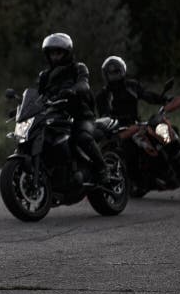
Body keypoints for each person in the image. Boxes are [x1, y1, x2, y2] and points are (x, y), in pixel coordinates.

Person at [37, 33, 109, 185]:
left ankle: (103, 168)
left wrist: (74, 90)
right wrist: (22, 107)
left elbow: (84, 84)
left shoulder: (78, 68)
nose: (55, 57)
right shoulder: (44, 75)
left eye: (58, 52)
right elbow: (38, 96)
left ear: (67, 52)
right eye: (51, 53)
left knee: (82, 137)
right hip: (56, 115)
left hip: (80, 115)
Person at [95, 55, 168, 126]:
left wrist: (164, 99)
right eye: (110, 73)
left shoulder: (132, 86)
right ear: (106, 75)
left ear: (122, 71)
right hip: (117, 132)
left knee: (167, 130)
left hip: (136, 126)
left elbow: (147, 95)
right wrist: (121, 120)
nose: (114, 75)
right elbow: (105, 117)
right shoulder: (103, 94)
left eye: (116, 72)